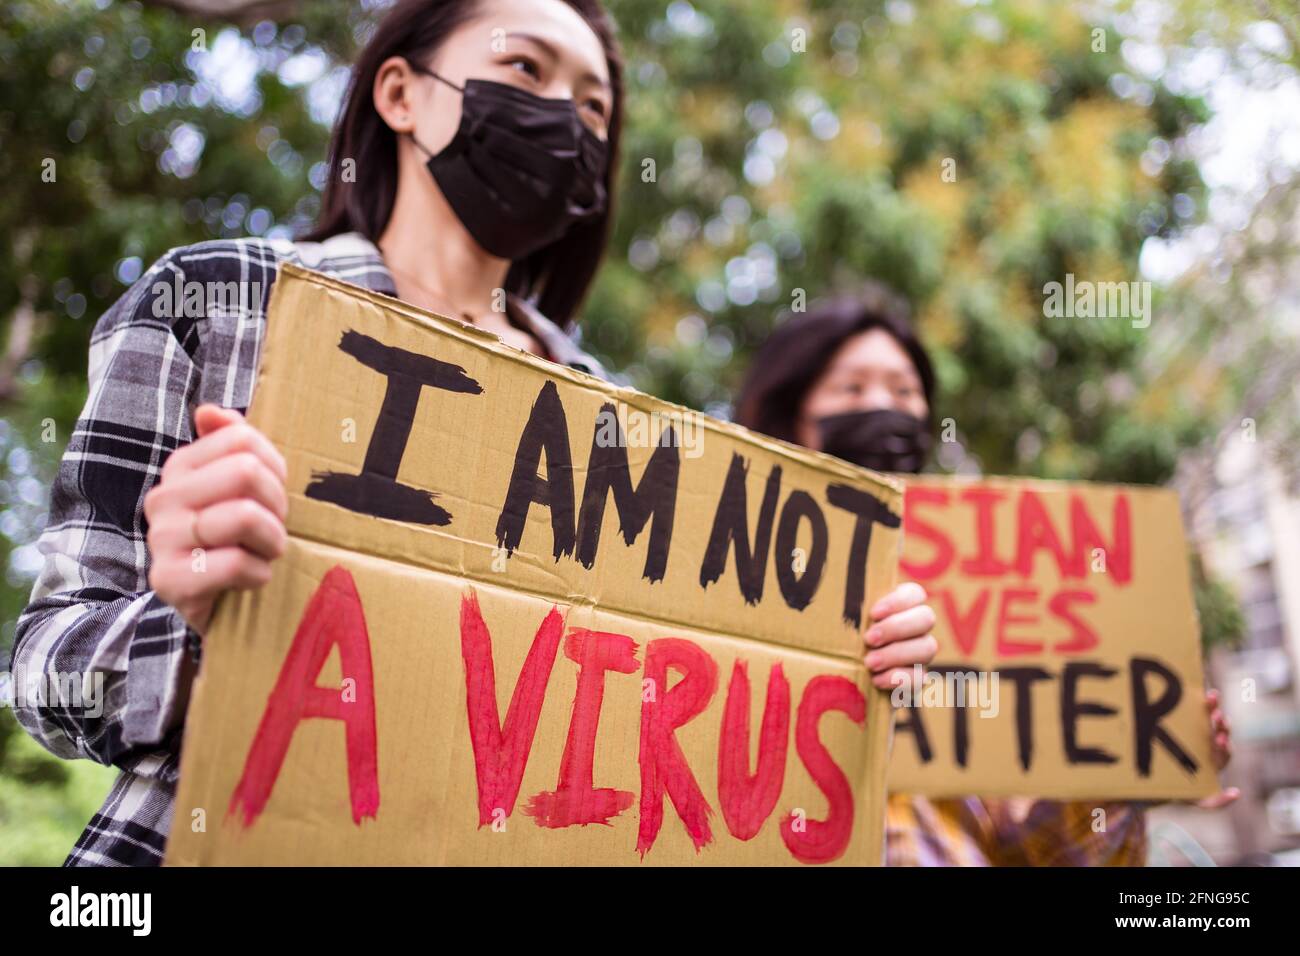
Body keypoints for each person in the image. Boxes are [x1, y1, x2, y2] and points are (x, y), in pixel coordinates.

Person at [11, 0, 938, 866]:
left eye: (593, 108)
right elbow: (43, 675)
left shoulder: (614, 424)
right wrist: (198, 618)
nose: (562, 121)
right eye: (525, 70)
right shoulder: (219, 303)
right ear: (401, 94)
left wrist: (840, 656)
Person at [733, 284, 1237, 866]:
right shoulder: (727, 566)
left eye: (905, 390)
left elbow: (1035, 847)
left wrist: (1125, 767)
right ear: (791, 410)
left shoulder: (976, 587)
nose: (886, 406)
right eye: (852, 387)